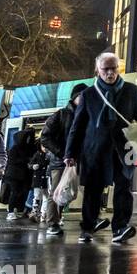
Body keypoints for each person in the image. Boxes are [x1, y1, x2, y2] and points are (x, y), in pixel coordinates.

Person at [64, 52, 137, 244]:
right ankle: (88, 228)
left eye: (113, 68)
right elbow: (78, 126)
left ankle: (120, 228)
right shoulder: (88, 95)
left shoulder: (131, 90)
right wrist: (70, 153)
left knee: (124, 188)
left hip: (125, 149)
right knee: (93, 190)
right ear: (97, 70)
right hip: (95, 150)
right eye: (105, 69)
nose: (110, 73)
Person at [39, 83, 87, 235]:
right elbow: (45, 137)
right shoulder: (61, 115)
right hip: (60, 162)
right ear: (75, 98)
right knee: (56, 192)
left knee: (74, 192)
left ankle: (63, 218)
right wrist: (63, 154)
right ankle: (52, 222)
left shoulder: (88, 116)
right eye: (82, 96)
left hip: (81, 161)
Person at [1, 126, 38, 221]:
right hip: (14, 176)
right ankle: (11, 211)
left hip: (20, 175)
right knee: (15, 192)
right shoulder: (15, 149)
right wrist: (27, 161)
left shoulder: (20, 148)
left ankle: (14, 210)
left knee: (19, 193)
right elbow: (14, 161)